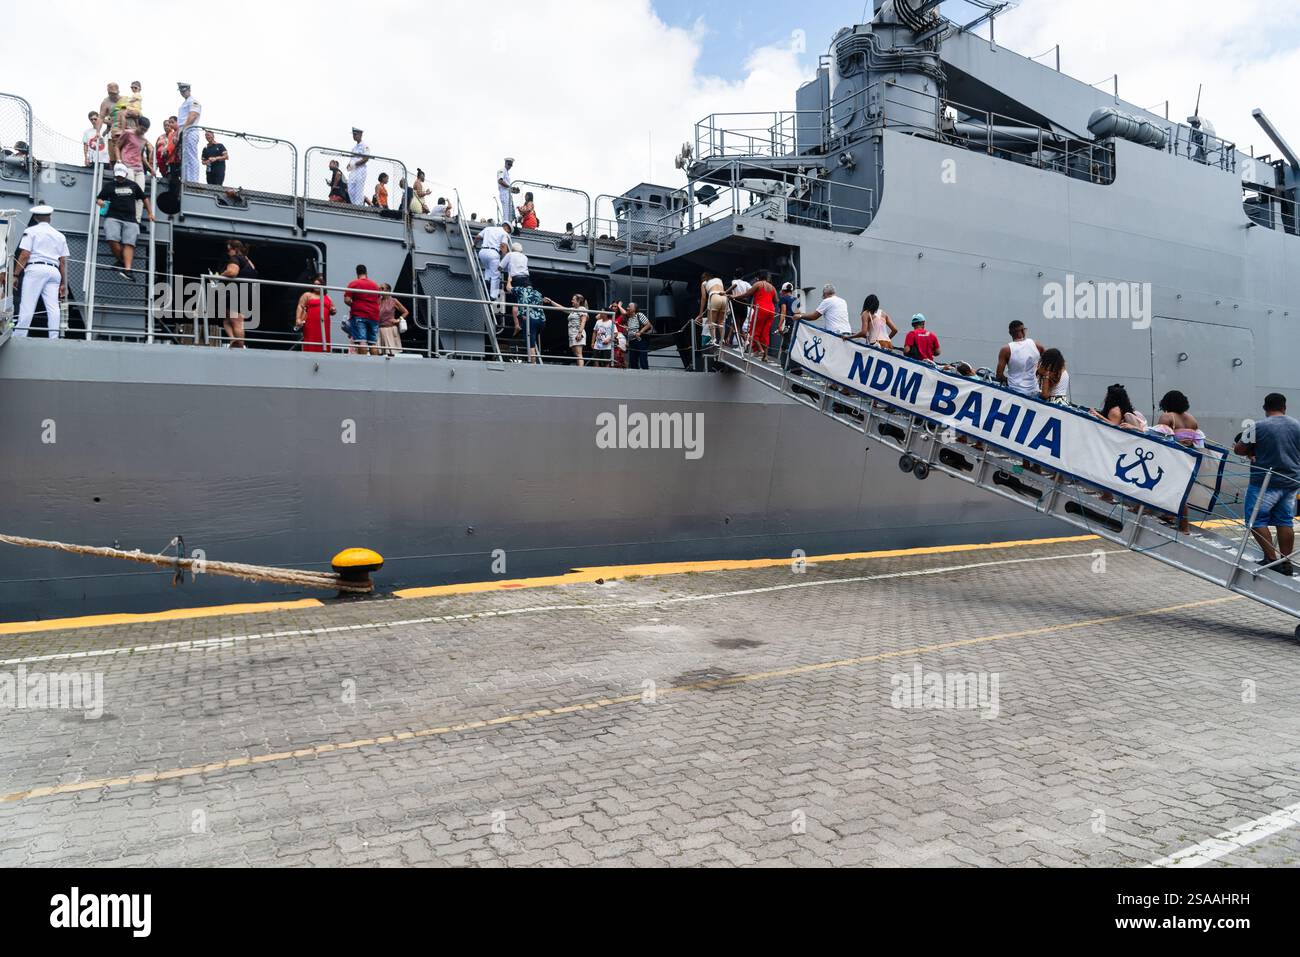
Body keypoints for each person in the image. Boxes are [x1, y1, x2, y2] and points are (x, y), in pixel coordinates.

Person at [1235, 394, 1300, 577]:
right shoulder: (1296, 425)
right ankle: (1285, 561)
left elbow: (1239, 449)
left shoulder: (1257, 426)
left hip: (1265, 482)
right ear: (1284, 407)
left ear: (1265, 407)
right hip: (1291, 481)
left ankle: (1271, 559)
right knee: (1284, 521)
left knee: (1256, 520)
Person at [11, 205, 69, 339]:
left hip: (35, 269)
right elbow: (63, 262)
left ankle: (20, 335)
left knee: (27, 304)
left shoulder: (30, 231)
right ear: (50, 217)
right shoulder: (59, 235)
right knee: (53, 307)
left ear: (36, 217)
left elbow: (25, 254)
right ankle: (54, 337)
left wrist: (15, 275)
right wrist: (64, 283)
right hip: (54, 271)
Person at [96, 163, 153, 281]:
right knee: (112, 239)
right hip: (113, 216)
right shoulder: (110, 185)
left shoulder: (133, 185)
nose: (120, 178)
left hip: (130, 218)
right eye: (118, 176)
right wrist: (100, 202)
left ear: (126, 174)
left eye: (121, 176)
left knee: (129, 243)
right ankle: (122, 262)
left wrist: (150, 213)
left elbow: (144, 198)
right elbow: (99, 198)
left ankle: (127, 270)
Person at [215, 240, 257, 348]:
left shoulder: (235, 259)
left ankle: (240, 346)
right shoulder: (249, 261)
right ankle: (234, 340)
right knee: (227, 319)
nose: (228, 252)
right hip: (247, 292)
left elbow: (232, 272)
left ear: (235, 249)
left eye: (229, 249)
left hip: (237, 292)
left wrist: (218, 277)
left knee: (236, 319)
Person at [117, 116, 154, 223]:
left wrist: (150, 169)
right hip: (127, 165)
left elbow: (141, 156)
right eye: (142, 129)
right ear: (137, 125)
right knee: (130, 191)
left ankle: (136, 220)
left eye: (145, 130)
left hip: (139, 168)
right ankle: (127, 215)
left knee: (140, 194)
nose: (143, 131)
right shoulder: (128, 133)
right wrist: (119, 160)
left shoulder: (144, 139)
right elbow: (117, 146)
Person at [731, 270, 777, 357]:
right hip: (771, 310)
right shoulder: (772, 287)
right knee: (765, 333)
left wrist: (734, 296)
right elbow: (776, 300)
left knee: (753, 331)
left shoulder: (758, 284)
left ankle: (760, 350)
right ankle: (765, 356)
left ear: (758, 277)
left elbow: (747, 294)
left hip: (761, 309)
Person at [996, 321, 1045, 397]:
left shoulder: (1006, 350)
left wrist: (1009, 381)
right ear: (1023, 331)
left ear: (1010, 333)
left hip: (1015, 392)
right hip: (1034, 391)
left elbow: (999, 376)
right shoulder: (1036, 345)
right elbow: (1051, 361)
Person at [344, 264, 382, 355]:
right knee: (373, 343)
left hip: (359, 315)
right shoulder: (375, 285)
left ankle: (363, 365)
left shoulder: (353, 284)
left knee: (361, 341)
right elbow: (378, 301)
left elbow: (347, 300)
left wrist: (355, 304)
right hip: (373, 316)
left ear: (357, 273)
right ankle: (375, 364)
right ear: (366, 272)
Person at [544, 293, 589, 366]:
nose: (572, 301)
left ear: (578, 301)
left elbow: (583, 321)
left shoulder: (581, 309)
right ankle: (579, 368)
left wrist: (580, 333)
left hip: (578, 333)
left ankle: (581, 370)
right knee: (576, 354)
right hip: (572, 333)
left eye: (573, 300)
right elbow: (562, 308)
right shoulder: (573, 309)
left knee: (579, 354)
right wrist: (551, 301)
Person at [294, 274, 335, 353]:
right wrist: (298, 319)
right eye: (315, 284)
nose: (316, 286)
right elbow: (300, 306)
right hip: (310, 323)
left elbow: (333, 309)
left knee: (324, 341)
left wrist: (333, 310)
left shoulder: (327, 297)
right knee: (310, 340)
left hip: (324, 324)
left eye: (318, 285)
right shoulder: (307, 295)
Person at [477, 221, 511, 311]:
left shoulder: (488, 228)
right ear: (507, 228)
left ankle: (487, 280)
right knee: (496, 275)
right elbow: (503, 246)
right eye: (508, 231)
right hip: (493, 253)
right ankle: (493, 296)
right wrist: (504, 259)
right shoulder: (504, 233)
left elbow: (478, 237)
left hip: (482, 252)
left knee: (488, 268)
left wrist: (474, 245)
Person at [176, 82, 203, 183]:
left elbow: (193, 116)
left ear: (189, 89)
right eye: (181, 91)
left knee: (191, 156)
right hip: (184, 131)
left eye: (184, 90)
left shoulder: (194, 102)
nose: (183, 92)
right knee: (185, 157)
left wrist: (184, 129)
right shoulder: (185, 103)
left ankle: (193, 180)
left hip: (190, 130)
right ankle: (186, 179)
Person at [695, 272, 728, 351]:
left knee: (711, 321)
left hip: (714, 297)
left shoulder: (704, 283)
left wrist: (700, 314)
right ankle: (722, 340)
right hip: (724, 298)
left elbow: (703, 298)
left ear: (704, 278)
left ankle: (713, 340)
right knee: (721, 322)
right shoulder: (719, 280)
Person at [620, 301, 655, 370]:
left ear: (634, 309)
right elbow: (627, 331)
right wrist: (627, 341)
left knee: (643, 359)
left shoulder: (639, 315)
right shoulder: (628, 318)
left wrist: (640, 332)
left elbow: (648, 324)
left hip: (641, 340)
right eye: (627, 307)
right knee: (633, 361)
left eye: (629, 307)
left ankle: (646, 375)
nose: (627, 308)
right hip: (632, 341)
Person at [376, 283, 408, 356]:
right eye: (379, 288)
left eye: (382, 288)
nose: (380, 290)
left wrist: (398, 320)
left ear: (388, 290)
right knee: (379, 353)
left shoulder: (394, 301)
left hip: (390, 329)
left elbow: (405, 312)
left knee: (391, 353)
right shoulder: (377, 301)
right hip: (379, 329)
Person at [97, 83, 126, 163]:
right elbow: (101, 117)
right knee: (116, 155)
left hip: (127, 129)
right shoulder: (106, 102)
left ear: (118, 91)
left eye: (115, 93)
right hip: (116, 130)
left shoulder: (125, 99)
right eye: (111, 93)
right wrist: (98, 132)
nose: (113, 95)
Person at [727, 269, 752, 344]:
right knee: (739, 326)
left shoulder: (734, 281)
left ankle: (743, 343)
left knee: (737, 326)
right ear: (743, 276)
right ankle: (746, 342)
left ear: (734, 276)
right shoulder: (746, 283)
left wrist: (726, 292)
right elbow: (751, 291)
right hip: (744, 304)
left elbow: (734, 286)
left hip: (736, 303)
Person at [347, 128, 370, 205]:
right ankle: (355, 204)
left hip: (360, 169)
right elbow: (352, 159)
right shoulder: (354, 148)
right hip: (353, 170)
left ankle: (358, 205)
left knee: (358, 188)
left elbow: (366, 158)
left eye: (355, 134)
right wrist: (349, 165)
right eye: (353, 134)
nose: (354, 136)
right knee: (350, 189)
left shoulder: (364, 146)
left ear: (360, 135)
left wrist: (356, 164)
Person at [497, 157, 516, 224]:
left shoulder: (507, 173)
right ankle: (505, 226)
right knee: (506, 212)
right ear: (505, 163)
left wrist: (513, 190)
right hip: (504, 194)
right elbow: (500, 181)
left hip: (508, 194)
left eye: (511, 165)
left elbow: (507, 186)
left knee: (509, 213)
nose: (510, 166)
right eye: (509, 164)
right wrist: (510, 187)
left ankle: (508, 225)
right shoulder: (502, 170)